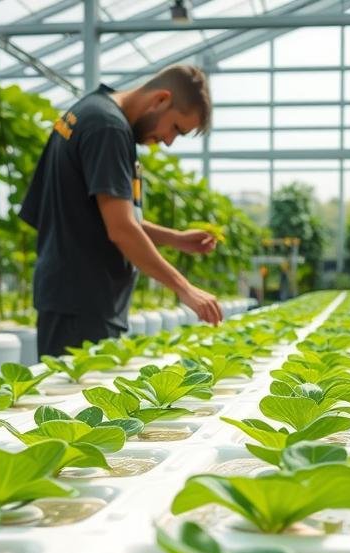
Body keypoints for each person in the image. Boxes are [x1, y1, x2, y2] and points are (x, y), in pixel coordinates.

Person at [20, 64, 224, 357]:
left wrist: (176, 238)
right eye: (176, 128)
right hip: (82, 307)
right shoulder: (108, 128)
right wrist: (184, 288)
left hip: (75, 302)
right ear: (161, 99)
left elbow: (108, 216)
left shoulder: (91, 112)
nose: (168, 141)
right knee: (79, 387)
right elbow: (121, 229)